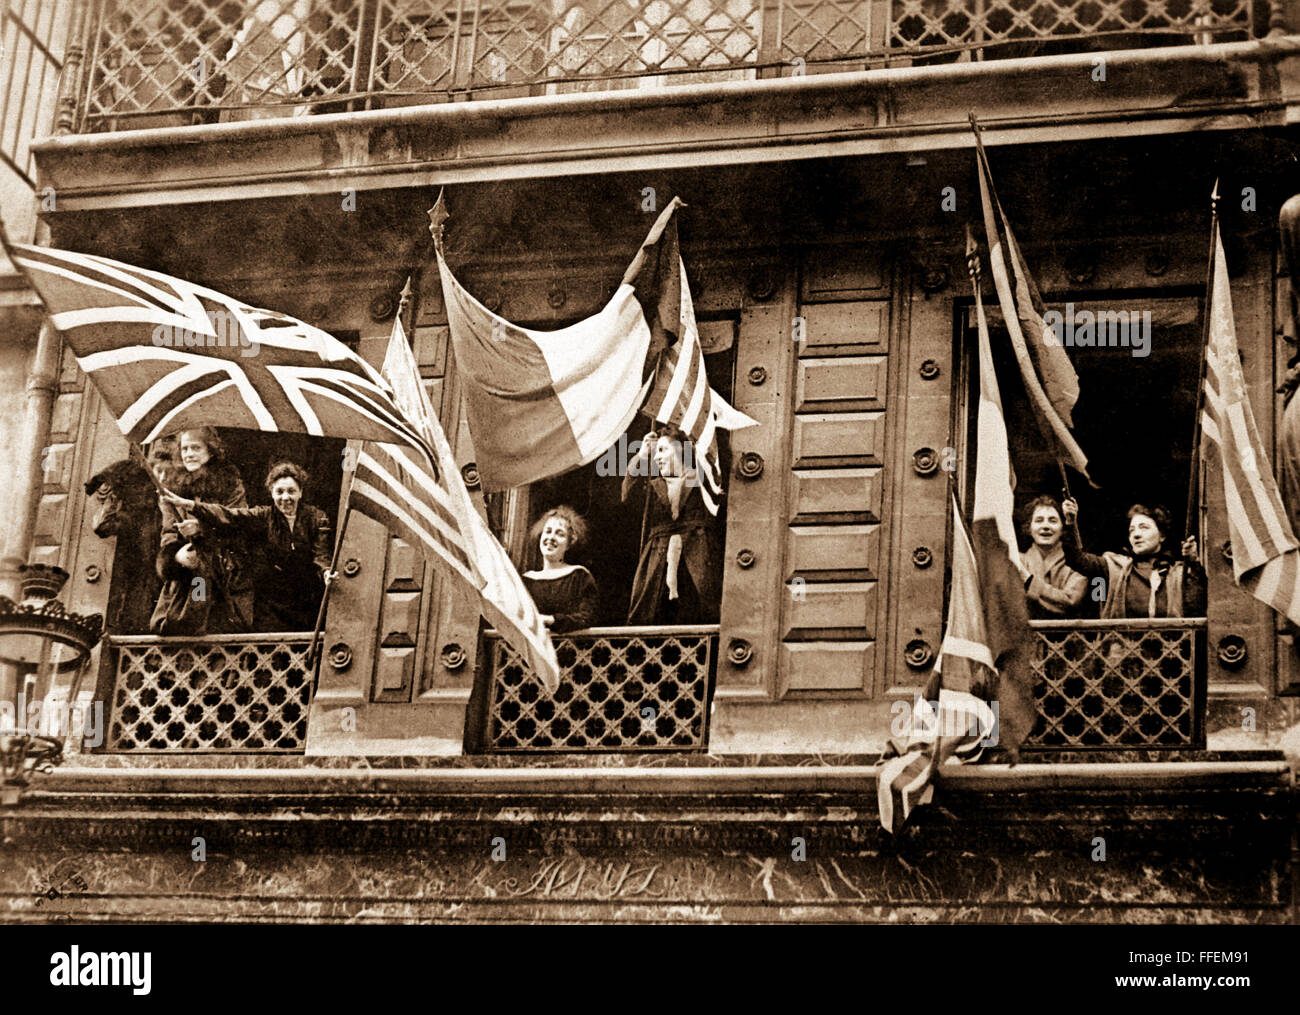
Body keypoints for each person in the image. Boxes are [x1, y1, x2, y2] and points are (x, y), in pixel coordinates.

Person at [162, 460, 336, 632]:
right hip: (274, 602)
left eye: (291, 491)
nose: (285, 498)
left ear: (301, 493)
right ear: (272, 493)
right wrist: (192, 506)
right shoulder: (264, 515)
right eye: (279, 492)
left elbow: (321, 553)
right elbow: (229, 515)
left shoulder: (317, 518)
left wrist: (326, 571)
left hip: (306, 596)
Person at [155, 427, 253, 633]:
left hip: (224, 573)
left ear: (210, 451)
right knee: (183, 623)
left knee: (219, 628)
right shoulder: (172, 489)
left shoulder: (231, 484)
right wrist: (176, 555)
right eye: (185, 449)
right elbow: (168, 532)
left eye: (196, 448)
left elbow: (239, 522)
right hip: (190, 576)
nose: (189, 454)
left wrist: (203, 530)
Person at [622, 425, 721, 625]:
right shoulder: (652, 486)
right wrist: (641, 456)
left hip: (697, 555)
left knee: (701, 613)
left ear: (681, 450)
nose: (657, 457)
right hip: (657, 561)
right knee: (650, 615)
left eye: (662, 450)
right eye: (656, 452)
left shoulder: (703, 481)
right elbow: (627, 496)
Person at [1060, 498, 1206, 618]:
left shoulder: (1178, 572)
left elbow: (1197, 608)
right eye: (1132, 530)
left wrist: (1193, 562)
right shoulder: (1115, 566)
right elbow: (1077, 559)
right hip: (1124, 651)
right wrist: (1070, 523)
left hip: (1169, 651)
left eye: (1144, 527)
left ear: (1162, 535)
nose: (1136, 534)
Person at [521, 506, 598, 633]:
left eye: (560, 534)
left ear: (570, 542)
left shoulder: (579, 576)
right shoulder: (526, 580)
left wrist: (551, 620)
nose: (551, 537)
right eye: (548, 531)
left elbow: (588, 617)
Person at [1022, 495, 1087, 619]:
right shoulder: (1019, 562)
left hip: (1069, 636)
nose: (1046, 526)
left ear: (1062, 528)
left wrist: (1030, 582)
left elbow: (1071, 601)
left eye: (1053, 520)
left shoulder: (1078, 565)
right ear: (1029, 528)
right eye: (1039, 520)